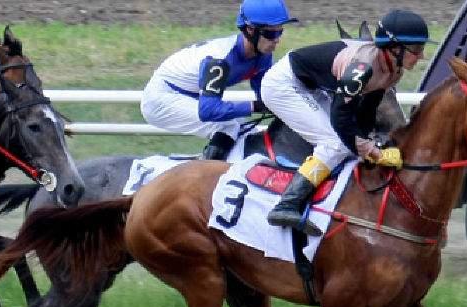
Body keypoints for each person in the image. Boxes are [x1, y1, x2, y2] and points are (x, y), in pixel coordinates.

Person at [261, 9, 432, 235]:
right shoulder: (362, 68)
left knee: (348, 145)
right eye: (417, 49)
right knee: (334, 143)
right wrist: (372, 152)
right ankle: (287, 204)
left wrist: (371, 144)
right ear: (395, 48)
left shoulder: (394, 70)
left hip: (311, 85)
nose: (421, 56)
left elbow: (366, 113)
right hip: (283, 85)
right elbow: (341, 117)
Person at [140, 0, 296, 161]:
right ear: (250, 30)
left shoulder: (262, 55)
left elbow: (266, 96)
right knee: (227, 126)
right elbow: (209, 111)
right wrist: (254, 106)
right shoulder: (219, 59)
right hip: (161, 98)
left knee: (246, 130)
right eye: (271, 34)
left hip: (192, 96)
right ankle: (206, 177)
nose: (277, 40)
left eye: (280, 32)